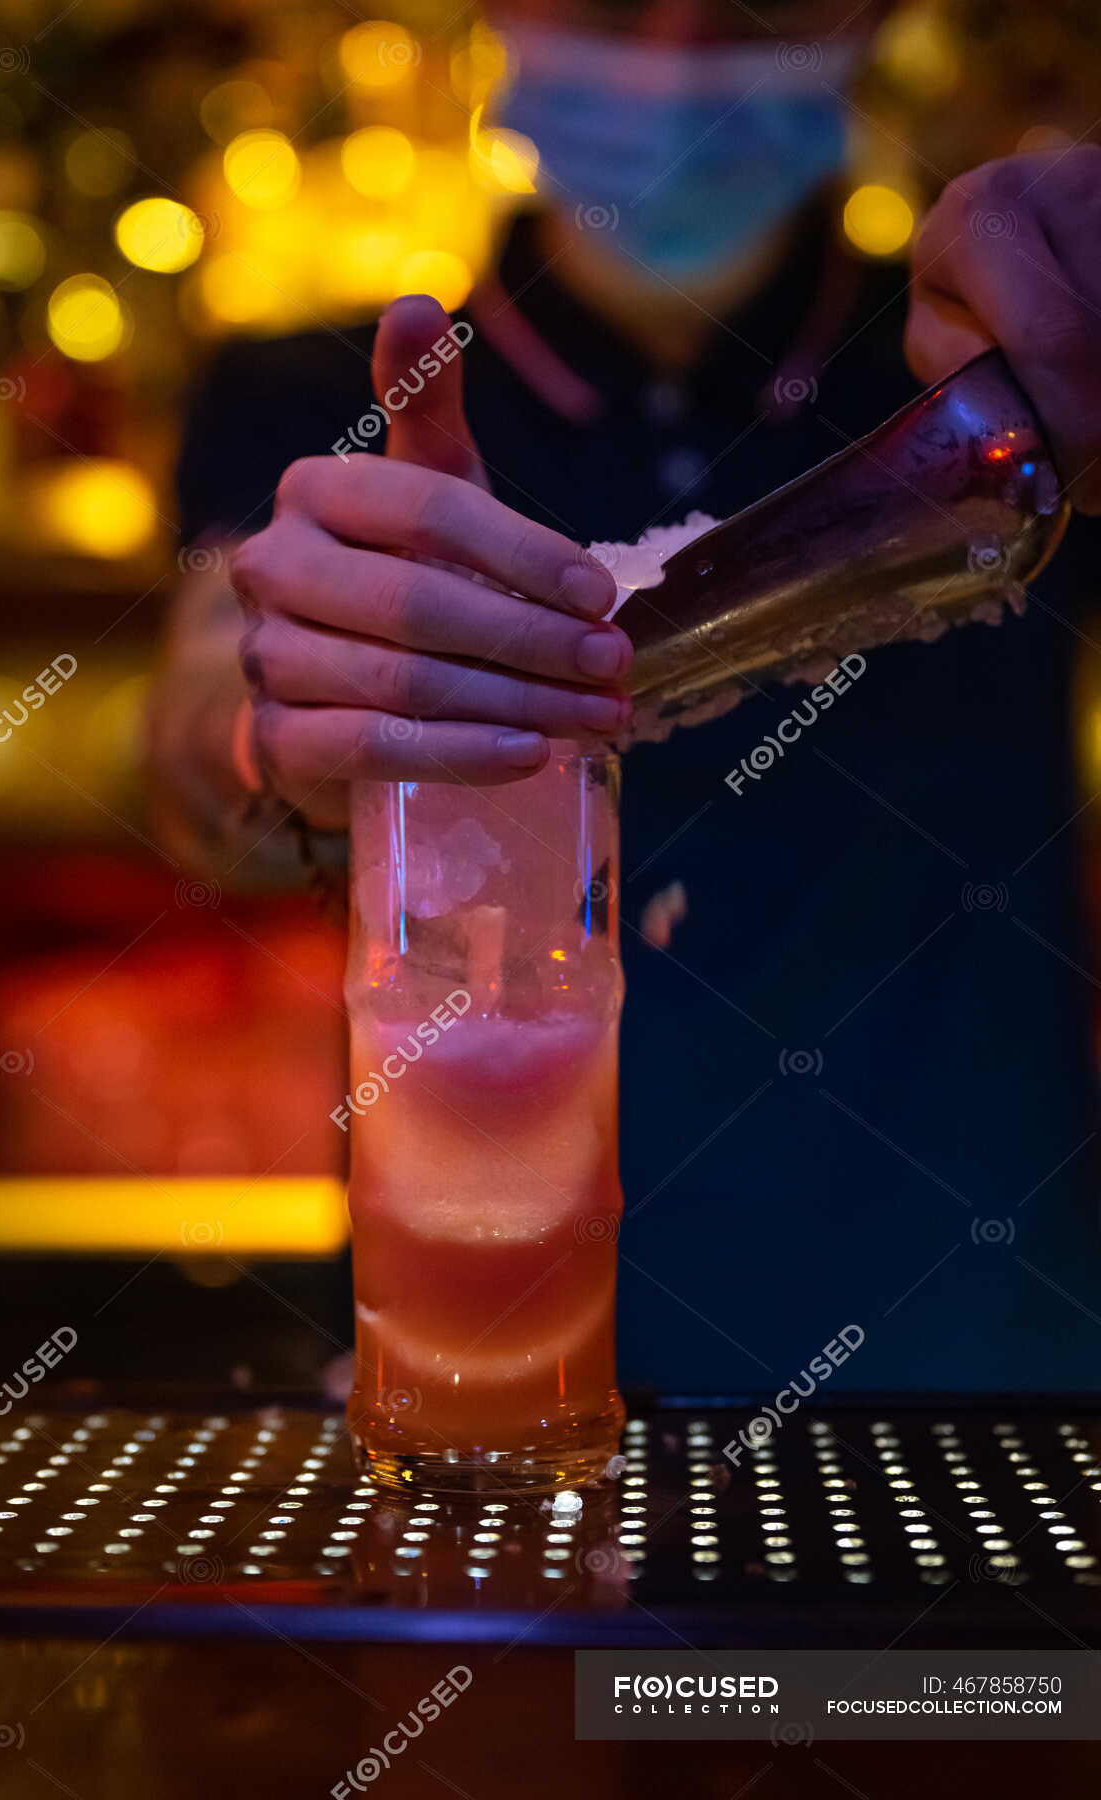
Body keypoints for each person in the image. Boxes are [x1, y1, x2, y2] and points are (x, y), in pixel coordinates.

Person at [153, 0, 1101, 1394]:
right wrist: (268, 723)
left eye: (747, 7)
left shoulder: (1010, 385)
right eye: (610, 4)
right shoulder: (315, 391)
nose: (671, 48)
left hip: (979, 1365)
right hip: (477, 1371)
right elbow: (189, 735)